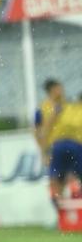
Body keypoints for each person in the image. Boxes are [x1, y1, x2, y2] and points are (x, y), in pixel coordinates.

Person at [35, 78, 82, 207]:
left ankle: (74, 212)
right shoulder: (43, 108)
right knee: (56, 180)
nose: (61, 91)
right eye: (58, 88)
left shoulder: (70, 105)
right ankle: (60, 213)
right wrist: (44, 152)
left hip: (75, 146)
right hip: (56, 147)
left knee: (73, 177)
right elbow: (39, 131)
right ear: (51, 90)